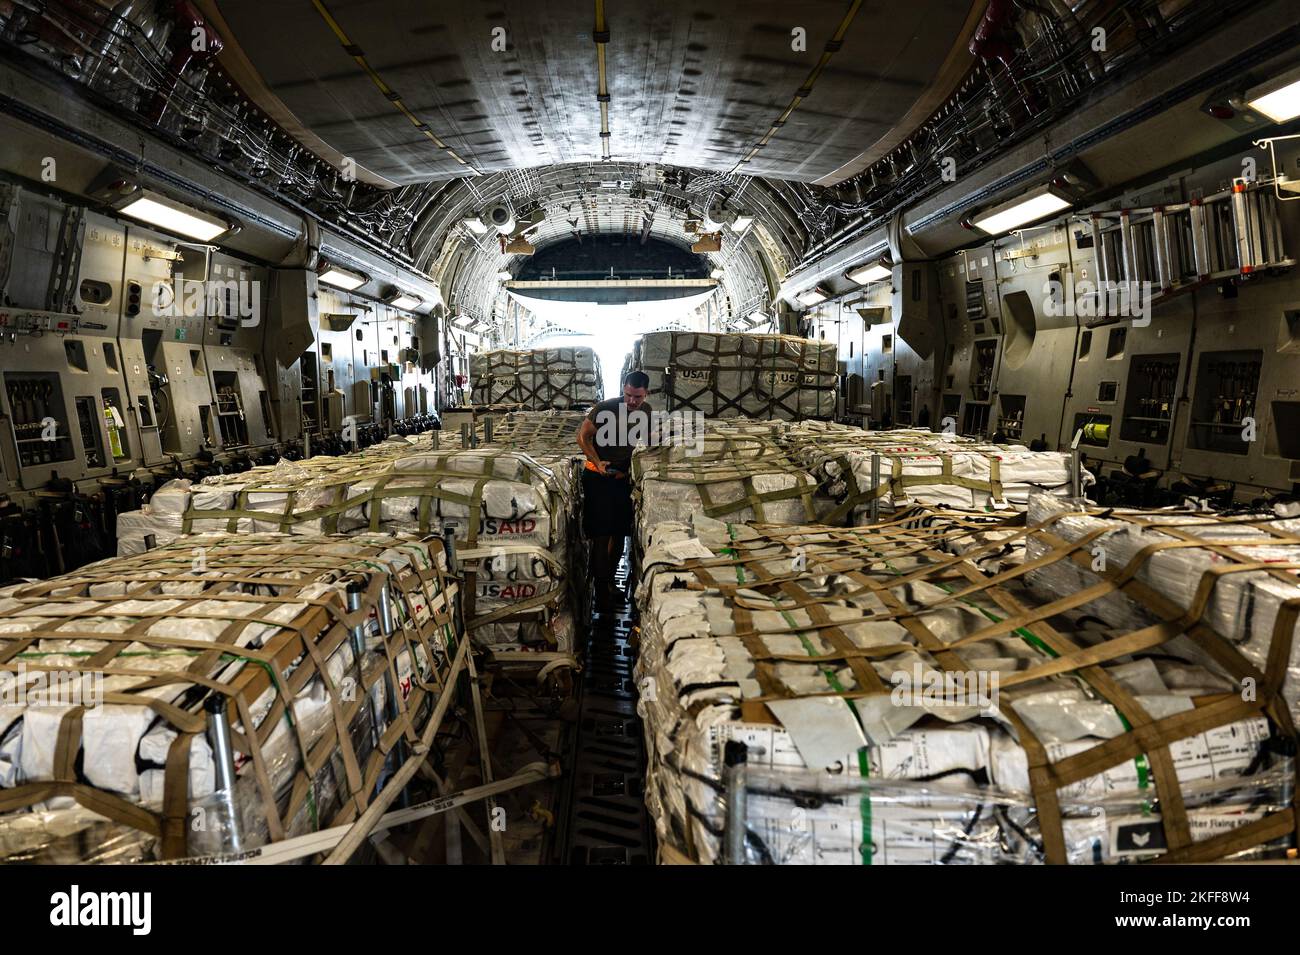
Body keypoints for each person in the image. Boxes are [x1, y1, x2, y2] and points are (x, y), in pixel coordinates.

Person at [577, 371, 653, 609]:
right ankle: (601, 588)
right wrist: (598, 462)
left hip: (623, 479)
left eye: (637, 397)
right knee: (601, 535)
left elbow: (644, 442)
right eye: (629, 395)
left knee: (619, 534)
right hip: (599, 477)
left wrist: (632, 470)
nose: (632, 401)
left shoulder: (647, 411)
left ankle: (610, 582)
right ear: (623, 389)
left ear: (646, 394)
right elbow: (583, 438)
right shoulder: (604, 408)